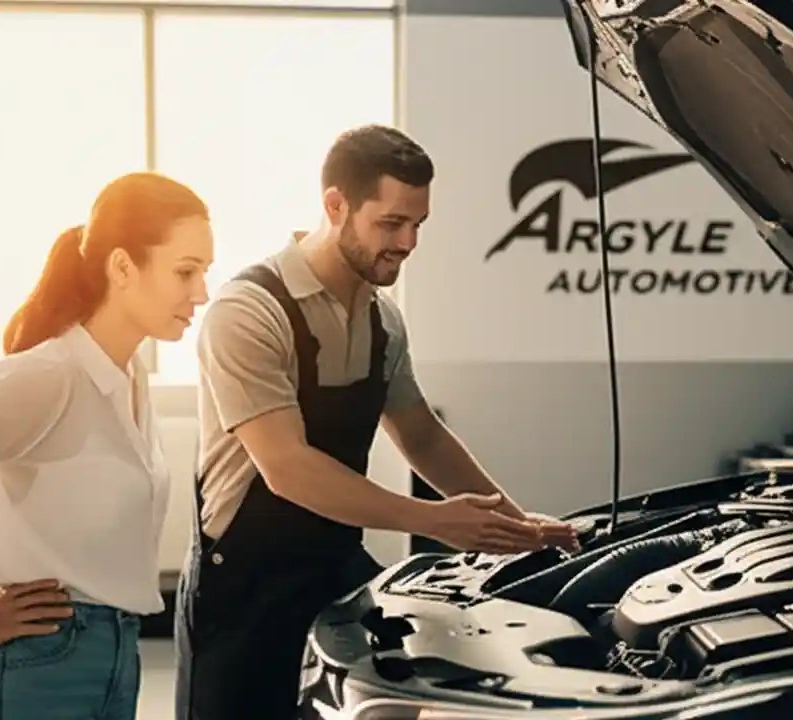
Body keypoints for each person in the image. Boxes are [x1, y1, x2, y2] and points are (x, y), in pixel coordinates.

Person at [174, 124, 579, 720]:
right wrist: (433, 521)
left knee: (393, 700)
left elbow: (420, 433)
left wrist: (512, 528)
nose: (409, 241)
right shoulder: (249, 311)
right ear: (336, 206)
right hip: (243, 589)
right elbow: (286, 467)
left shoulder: (382, 320)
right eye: (391, 223)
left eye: (419, 224)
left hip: (335, 569)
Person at [0, 172, 215, 720]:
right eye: (186, 271)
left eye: (205, 273)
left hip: (115, 658)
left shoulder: (128, 378)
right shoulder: (47, 375)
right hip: (43, 663)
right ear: (123, 267)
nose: (202, 293)